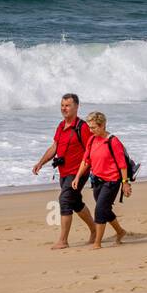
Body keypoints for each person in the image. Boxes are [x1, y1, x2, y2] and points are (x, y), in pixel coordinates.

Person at [32, 93, 95, 249]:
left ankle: (63, 240)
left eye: (67, 105)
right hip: (64, 172)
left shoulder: (83, 127)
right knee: (75, 202)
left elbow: (92, 150)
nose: (64, 108)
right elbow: (55, 147)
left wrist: (89, 171)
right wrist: (41, 162)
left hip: (79, 171)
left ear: (76, 107)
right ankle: (95, 230)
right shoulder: (61, 126)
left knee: (65, 200)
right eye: (62, 105)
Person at [72, 112, 131, 248]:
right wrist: (77, 177)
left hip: (112, 181)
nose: (91, 130)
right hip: (97, 181)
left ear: (103, 125)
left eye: (94, 127)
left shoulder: (113, 141)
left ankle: (97, 242)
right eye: (89, 127)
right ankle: (120, 232)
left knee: (99, 210)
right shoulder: (92, 140)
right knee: (105, 209)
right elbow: (86, 161)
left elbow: (122, 164)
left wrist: (125, 183)